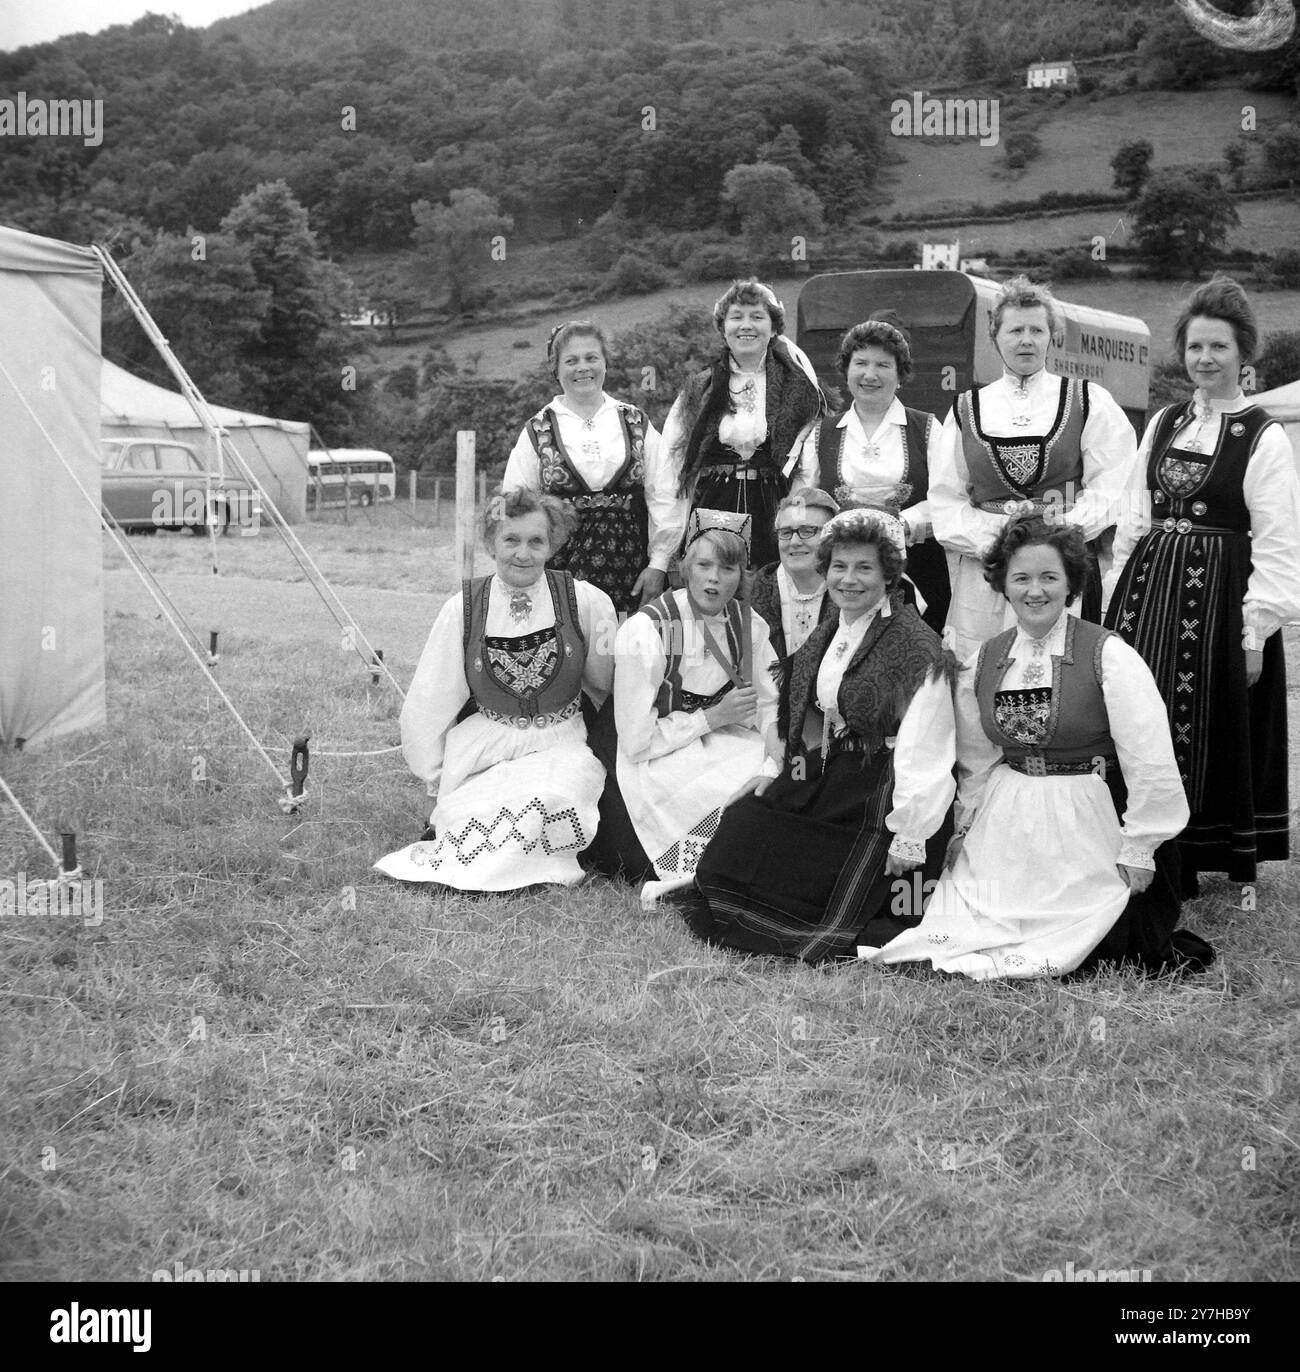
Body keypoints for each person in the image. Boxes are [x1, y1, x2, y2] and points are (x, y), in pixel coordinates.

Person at [863, 515, 1207, 980]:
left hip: (1087, 811)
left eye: (1049, 577)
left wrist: (1141, 846)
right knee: (968, 923)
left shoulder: (1109, 654)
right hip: (1009, 815)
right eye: (1021, 578)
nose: (1035, 591)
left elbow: (1148, 755)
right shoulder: (985, 657)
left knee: (1113, 938)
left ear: (1071, 584)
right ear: (1002, 584)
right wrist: (954, 826)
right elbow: (975, 755)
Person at [680, 507, 958, 963]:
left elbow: (926, 751)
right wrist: (775, 770)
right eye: (839, 567)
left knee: (831, 874)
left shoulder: (918, 647)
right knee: (742, 826)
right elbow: (804, 714)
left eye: (864, 567)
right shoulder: (831, 632)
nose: (849, 579)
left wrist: (909, 836)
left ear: (890, 575)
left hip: (881, 788)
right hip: (822, 768)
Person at [1104, 276, 1300, 893]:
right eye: (1194, 348)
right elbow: (1134, 517)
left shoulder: (1262, 435)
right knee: (1141, 716)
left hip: (1217, 603)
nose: (1205, 360)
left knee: (1207, 723)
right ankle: (1139, 847)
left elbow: (1277, 541)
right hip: (1148, 593)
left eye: (1218, 347)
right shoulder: (1162, 422)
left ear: (1244, 353)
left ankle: (1199, 854)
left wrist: (1255, 632)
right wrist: (1114, 603)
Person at [374, 488, 617, 891]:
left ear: (553, 544)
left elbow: (605, 685)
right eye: (511, 540)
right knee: (475, 812)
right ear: (491, 543)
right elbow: (431, 698)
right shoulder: (462, 609)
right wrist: (434, 780)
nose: (523, 553)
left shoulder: (586, 601)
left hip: (561, 742)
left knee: (550, 798)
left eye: (536, 541)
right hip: (485, 746)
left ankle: (526, 867)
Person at [930, 276, 1136, 658]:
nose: (1026, 339)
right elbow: (945, 499)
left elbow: (1114, 487)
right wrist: (996, 542)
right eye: (1015, 330)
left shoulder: (1089, 400)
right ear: (995, 338)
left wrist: (1056, 533)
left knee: (1059, 670)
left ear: (1051, 337)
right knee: (981, 668)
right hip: (986, 570)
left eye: (1037, 330)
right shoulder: (965, 409)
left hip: (1059, 566)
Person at [613, 521, 779, 904]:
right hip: (659, 750)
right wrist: (712, 718)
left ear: (742, 575)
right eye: (703, 566)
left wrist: (774, 752)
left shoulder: (748, 624)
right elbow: (636, 742)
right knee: (717, 793)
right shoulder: (647, 630)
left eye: (727, 569)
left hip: (726, 738)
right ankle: (707, 874)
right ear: (685, 568)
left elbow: (770, 703)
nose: (713, 579)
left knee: (768, 785)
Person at [503, 320, 676, 614]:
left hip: (632, 572)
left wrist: (659, 564)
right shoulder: (537, 430)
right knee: (569, 654)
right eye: (571, 361)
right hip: (558, 575)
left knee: (627, 654)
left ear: (605, 363)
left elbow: (665, 495)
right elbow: (516, 504)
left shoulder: (635, 421)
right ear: (556, 370)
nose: (582, 367)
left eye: (591, 358)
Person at [799, 313, 951, 634]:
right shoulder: (820, 433)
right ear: (846, 369)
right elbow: (805, 503)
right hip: (843, 577)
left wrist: (899, 525)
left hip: (919, 571)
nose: (870, 374)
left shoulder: (927, 429)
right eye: (861, 363)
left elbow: (949, 499)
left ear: (900, 374)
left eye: (883, 365)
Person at [661, 278, 825, 571]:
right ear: (723, 328)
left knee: (767, 594)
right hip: (712, 505)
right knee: (716, 589)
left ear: (774, 328)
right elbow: (672, 467)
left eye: (757, 317)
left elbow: (808, 466)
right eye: (736, 317)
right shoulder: (699, 388)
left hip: (773, 509)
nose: (746, 325)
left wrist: (796, 522)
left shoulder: (798, 388)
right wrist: (665, 551)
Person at [749, 488, 840, 660]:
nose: (795, 542)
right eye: (786, 533)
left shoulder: (849, 590)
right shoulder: (755, 591)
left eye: (807, 531)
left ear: (832, 537)